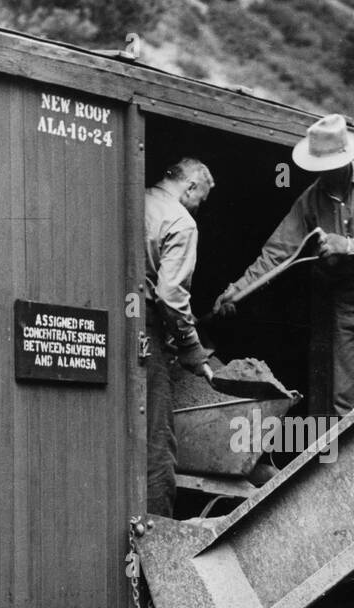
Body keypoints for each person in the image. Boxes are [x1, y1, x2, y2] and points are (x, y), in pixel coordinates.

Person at [214, 114, 354, 416]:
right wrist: (239, 289)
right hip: (347, 298)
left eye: (330, 165)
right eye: (319, 167)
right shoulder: (310, 200)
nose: (325, 173)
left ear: (346, 157)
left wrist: (349, 244)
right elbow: (276, 253)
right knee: (345, 400)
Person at [145, 158, 215, 516]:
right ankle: (158, 544)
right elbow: (170, 295)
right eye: (200, 199)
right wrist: (191, 348)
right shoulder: (181, 221)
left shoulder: (135, 201)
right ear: (190, 188)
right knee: (156, 443)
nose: (198, 208)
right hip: (145, 335)